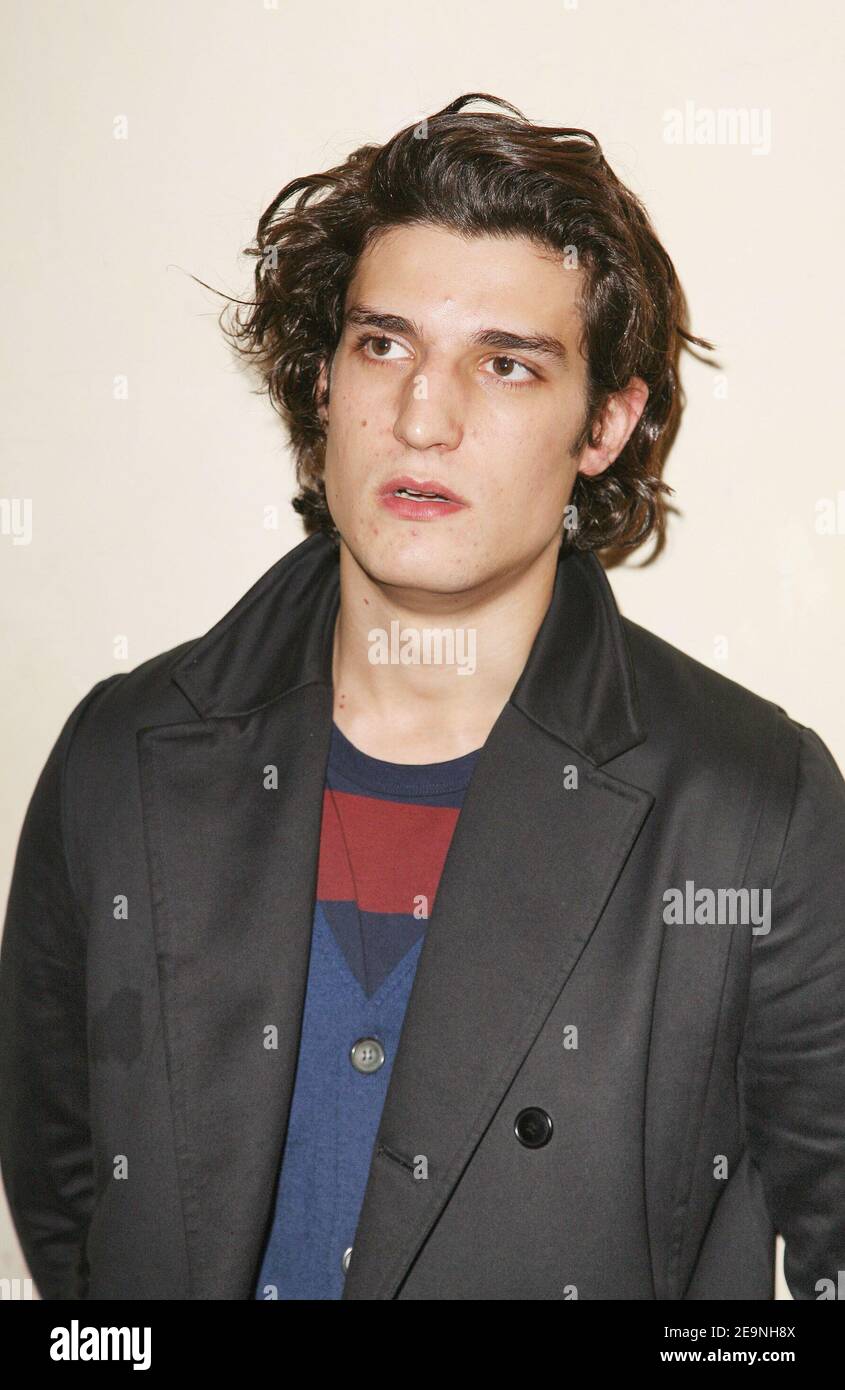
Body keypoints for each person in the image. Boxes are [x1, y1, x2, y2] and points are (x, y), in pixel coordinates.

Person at [1, 93, 843, 1302]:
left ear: (605, 422)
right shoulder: (120, 753)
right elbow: (68, 1190)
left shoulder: (753, 804)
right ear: (326, 381)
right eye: (382, 343)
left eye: (504, 364)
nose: (420, 415)